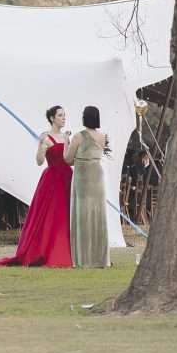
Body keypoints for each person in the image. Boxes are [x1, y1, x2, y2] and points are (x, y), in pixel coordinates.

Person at [0, 104, 72, 268]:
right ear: (52, 118)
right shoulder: (46, 138)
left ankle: (67, 249)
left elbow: (68, 159)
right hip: (53, 179)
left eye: (64, 115)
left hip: (67, 177)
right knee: (52, 215)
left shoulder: (66, 137)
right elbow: (39, 162)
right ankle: (51, 250)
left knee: (66, 215)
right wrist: (42, 146)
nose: (64, 118)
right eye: (60, 115)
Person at [65, 105, 110, 268]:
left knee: (82, 215)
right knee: (97, 214)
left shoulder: (79, 136)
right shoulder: (103, 136)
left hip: (83, 176)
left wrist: (65, 142)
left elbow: (68, 159)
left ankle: (83, 258)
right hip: (97, 175)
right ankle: (100, 258)